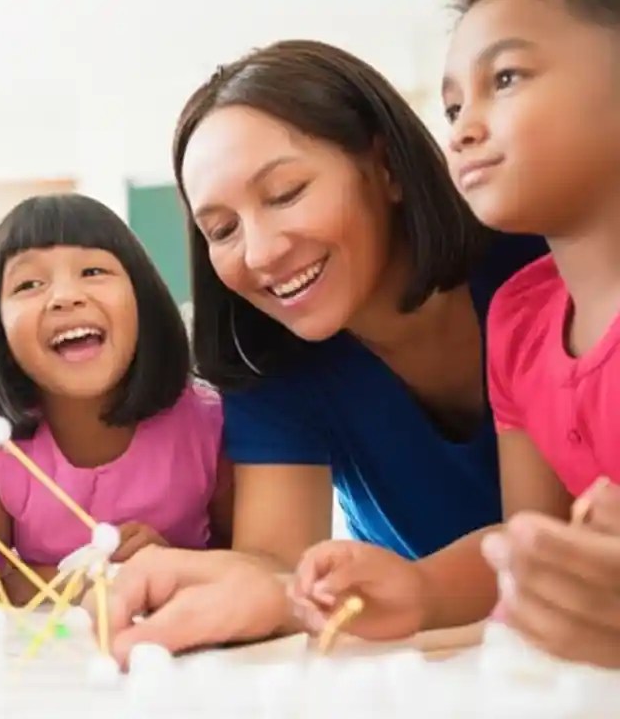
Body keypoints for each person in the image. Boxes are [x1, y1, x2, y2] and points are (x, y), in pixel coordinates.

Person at [92, 39, 545, 665]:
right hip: (431, 662)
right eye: (221, 230)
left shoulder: (536, 267)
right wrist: (234, 586)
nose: (259, 253)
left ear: (383, 167)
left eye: (284, 193)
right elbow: (278, 566)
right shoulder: (271, 361)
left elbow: (556, 543)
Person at [293, 0, 620, 668]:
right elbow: (530, 542)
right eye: (451, 108)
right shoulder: (517, 318)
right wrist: (419, 586)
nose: (464, 129)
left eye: (505, 79)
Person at [0, 193, 232, 605]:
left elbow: (247, 564)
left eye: (93, 271)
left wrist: (171, 566)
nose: (65, 296)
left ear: (144, 300)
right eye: (29, 284)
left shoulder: (208, 424)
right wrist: (91, 584)